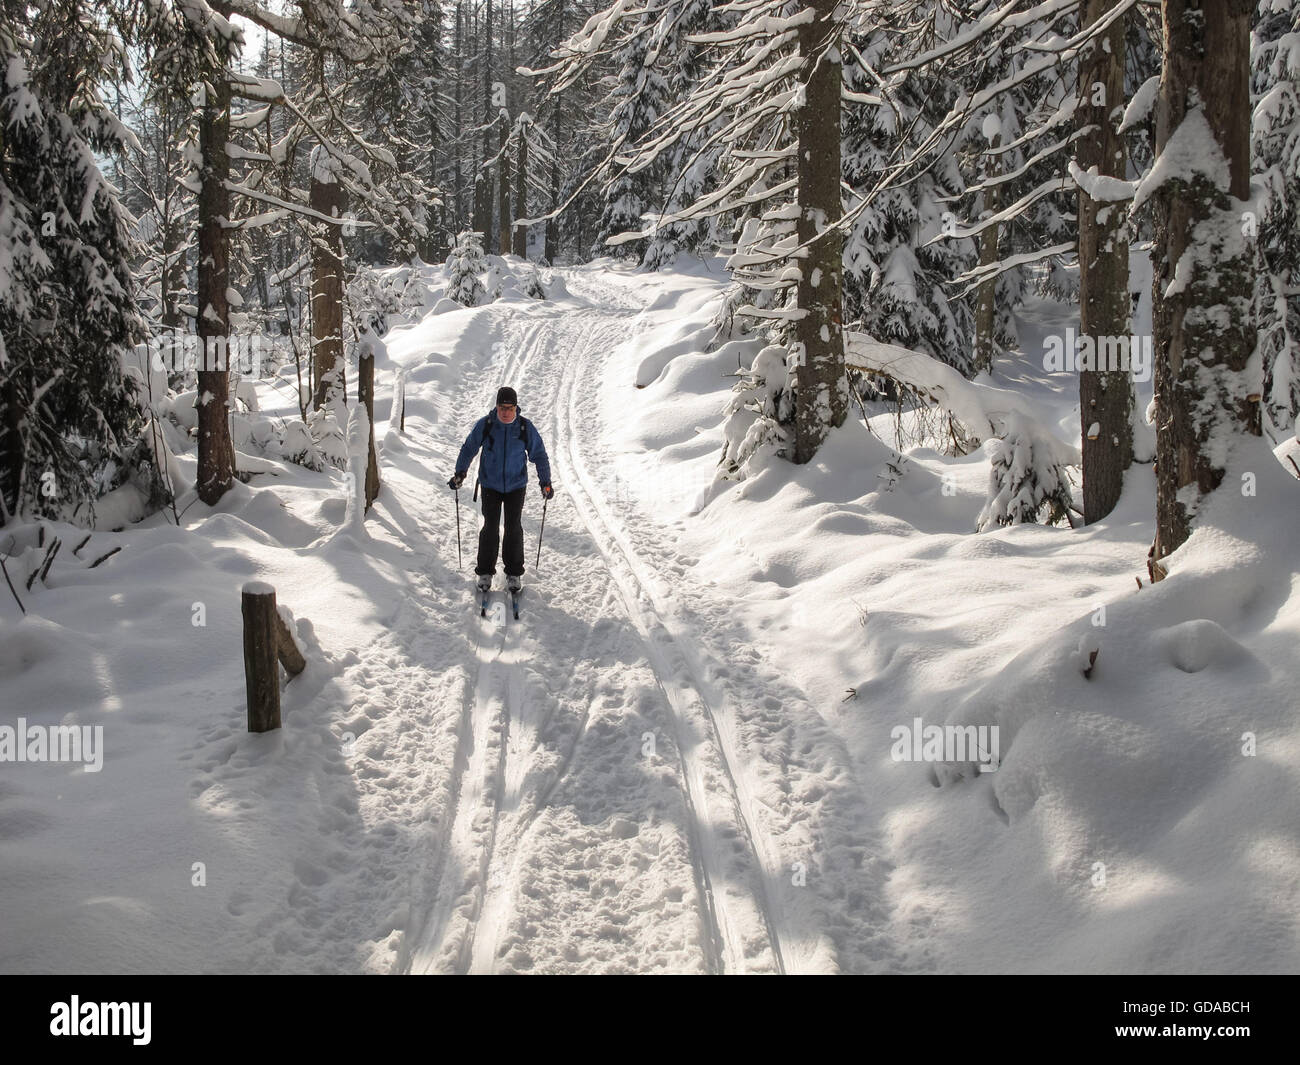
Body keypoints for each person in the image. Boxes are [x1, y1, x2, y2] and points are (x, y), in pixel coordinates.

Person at [447, 386, 553, 593]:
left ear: (516, 408)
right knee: (490, 527)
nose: (505, 412)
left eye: (509, 408)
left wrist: (545, 482)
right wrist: (460, 473)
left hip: (516, 485)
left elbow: (539, 454)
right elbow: (469, 448)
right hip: (490, 484)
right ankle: (485, 572)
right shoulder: (486, 425)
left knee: (513, 527)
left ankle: (513, 573)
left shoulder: (524, 427)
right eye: (501, 407)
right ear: (496, 407)